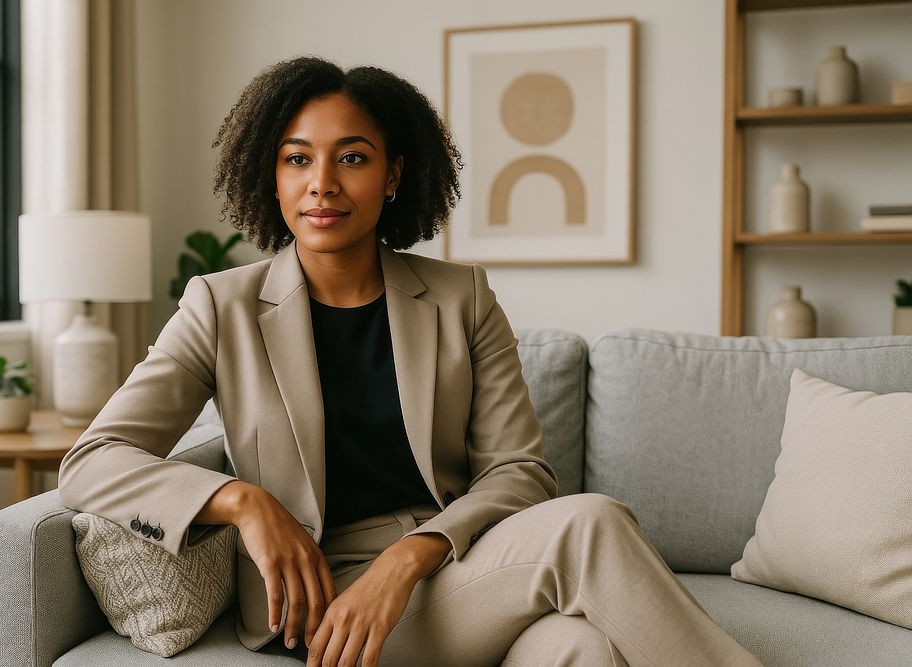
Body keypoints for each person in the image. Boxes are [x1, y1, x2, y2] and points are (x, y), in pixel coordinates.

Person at [58, 56, 764, 667]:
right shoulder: (220, 305)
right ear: (271, 177)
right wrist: (244, 502)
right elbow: (92, 459)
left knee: (579, 651)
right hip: (323, 603)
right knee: (593, 523)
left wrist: (411, 555)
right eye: (298, 158)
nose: (323, 183)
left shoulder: (462, 296)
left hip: (452, 564)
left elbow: (520, 471)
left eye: (353, 157)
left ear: (393, 175)